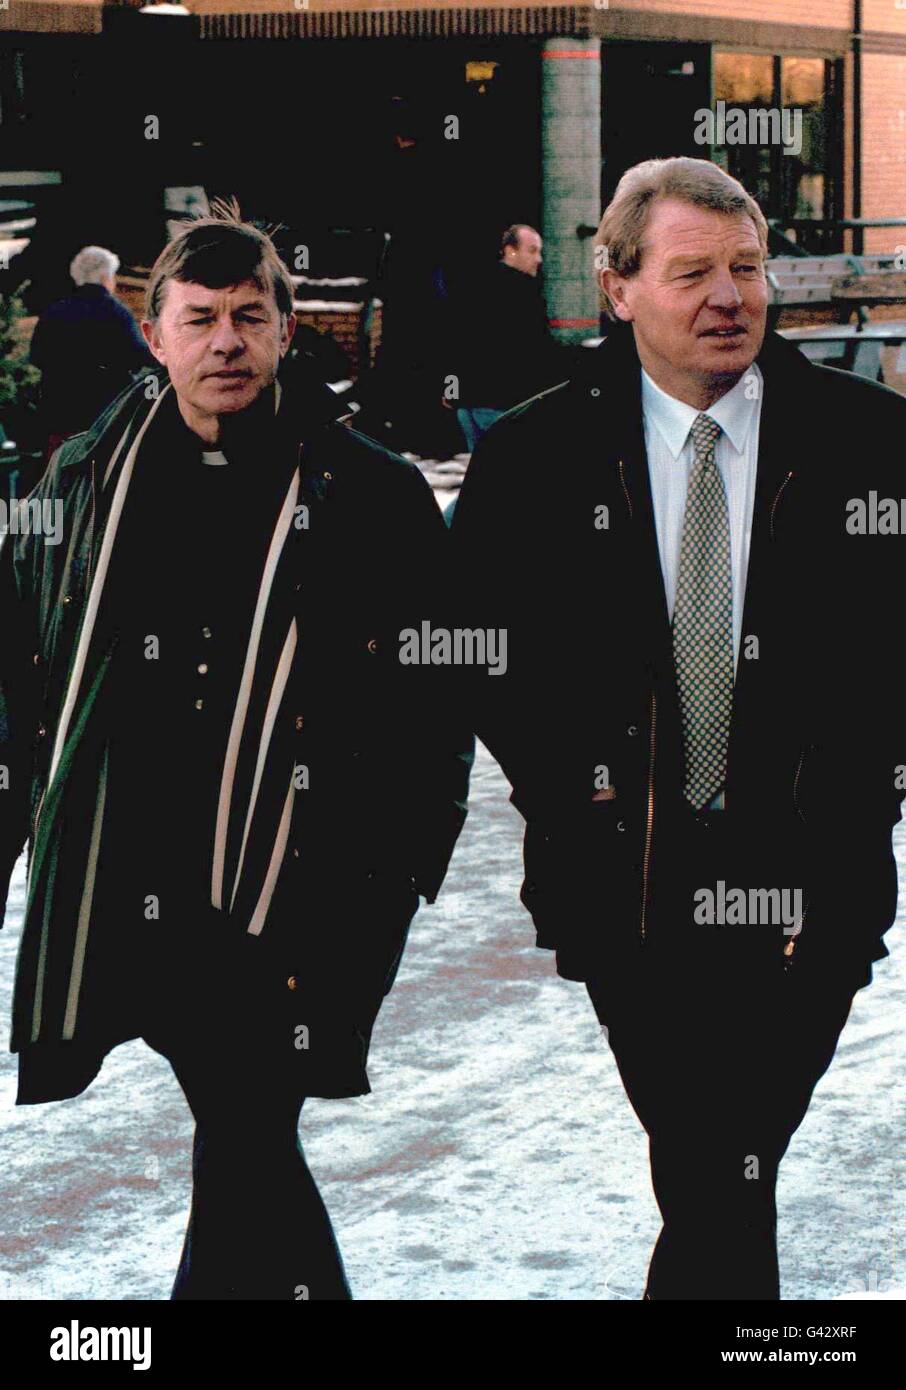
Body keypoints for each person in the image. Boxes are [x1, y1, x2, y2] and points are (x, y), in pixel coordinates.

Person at [451, 157, 904, 1300]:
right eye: (692, 271)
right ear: (618, 288)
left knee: (718, 1169)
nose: (729, 297)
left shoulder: (870, 444)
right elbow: (477, 653)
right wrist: (572, 788)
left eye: (747, 268)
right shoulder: (535, 458)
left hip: (809, 881)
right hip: (627, 880)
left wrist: (862, 780)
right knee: (715, 1174)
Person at [0, 205, 471, 1300]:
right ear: (153, 334)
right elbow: (22, 675)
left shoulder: (367, 490)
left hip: (312, 886)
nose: (226, 342)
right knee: (247, 1128)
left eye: (249, 318)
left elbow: (439, 690)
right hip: (143, 880)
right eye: (199, 319)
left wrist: (404, 862)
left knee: (247, 1120)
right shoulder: (82, 483)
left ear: (285, 330)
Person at [446, 224, 569, 453]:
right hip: (506, 405)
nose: (539, 259)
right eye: (532, 251)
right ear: (510, 250)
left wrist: (452, 392)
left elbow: (452, 342)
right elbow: (537, 352)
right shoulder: (524, 293)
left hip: (469, 406)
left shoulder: (470, 287)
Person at [29, 245, 152, 458]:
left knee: (62, 476)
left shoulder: (54, 311)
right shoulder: (116, 312)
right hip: (105, 416)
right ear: (106, 277)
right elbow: (139, 354)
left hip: (60, 412)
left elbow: (37, 357)